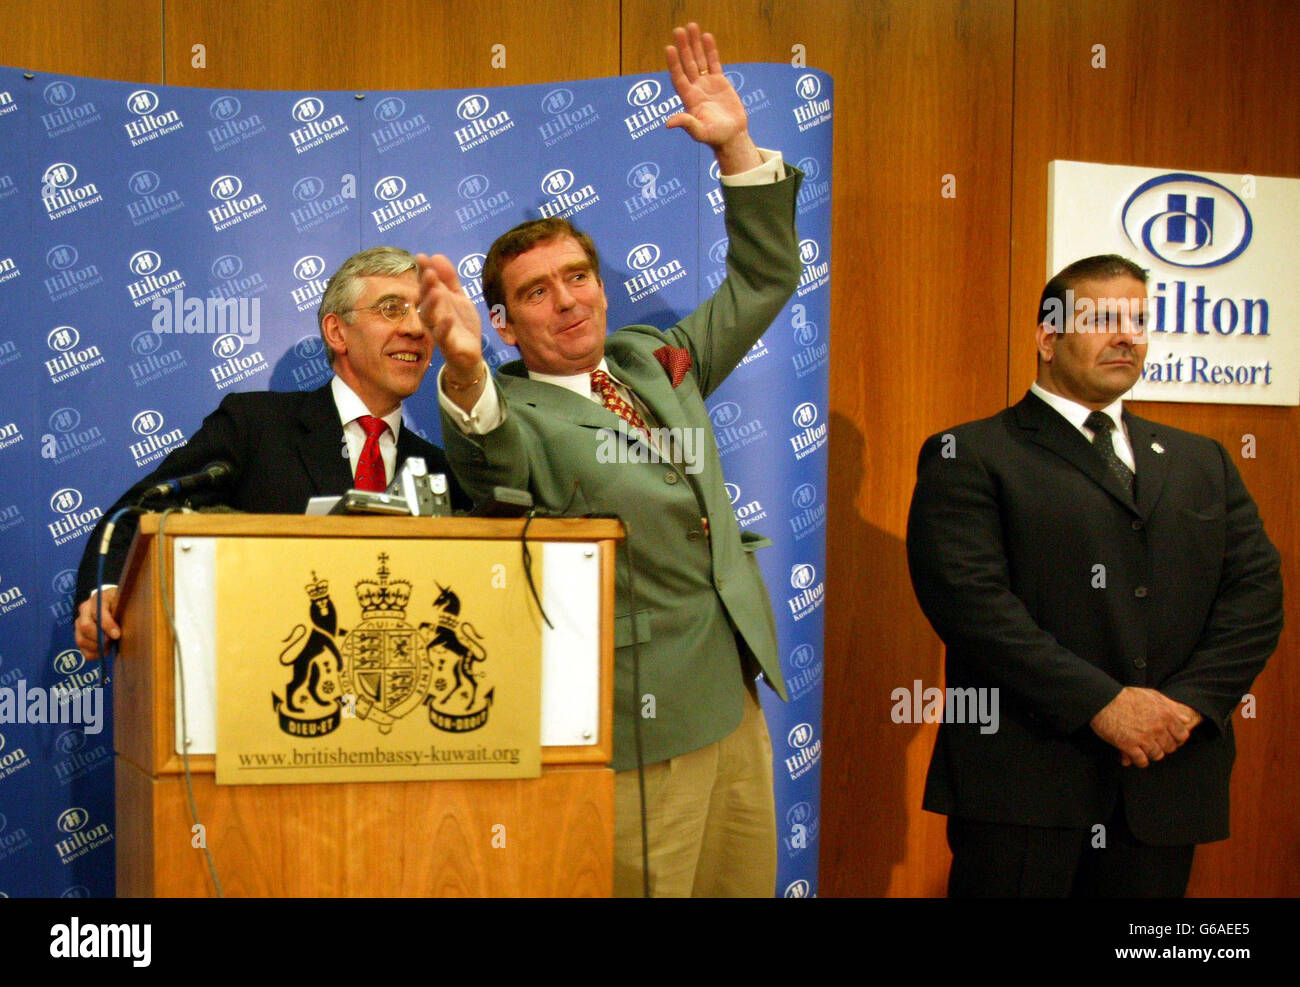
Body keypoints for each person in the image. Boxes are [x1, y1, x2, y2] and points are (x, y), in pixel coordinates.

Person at [413, 23, 802, 896]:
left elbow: (763, 281)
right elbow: (490, 462)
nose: (567, 300)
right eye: (535, 292)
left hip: (733, 694)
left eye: (576, 275)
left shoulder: (648, 357)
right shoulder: (508, 406)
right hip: (637, 721)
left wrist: (733, 145)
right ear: (506, 324)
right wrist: (468, 369)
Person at [906, 254, 1284, 897]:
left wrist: (1185, 709)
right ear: (1047, 337)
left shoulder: (1203, 462)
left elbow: (1255, 598)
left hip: (1163, 782)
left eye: (1139, 320)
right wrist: (1104, 706)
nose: (1127, 336)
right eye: (1104, 318)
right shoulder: (969, 454)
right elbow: (973, 608)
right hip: (1025, 791)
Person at [74, 246, 468, 660]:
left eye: (424, 313)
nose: (415, 329)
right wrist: (108, 592)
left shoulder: (439, 467)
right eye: (391, 309)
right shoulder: (255, 425)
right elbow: (138, 512)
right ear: (337, 332)